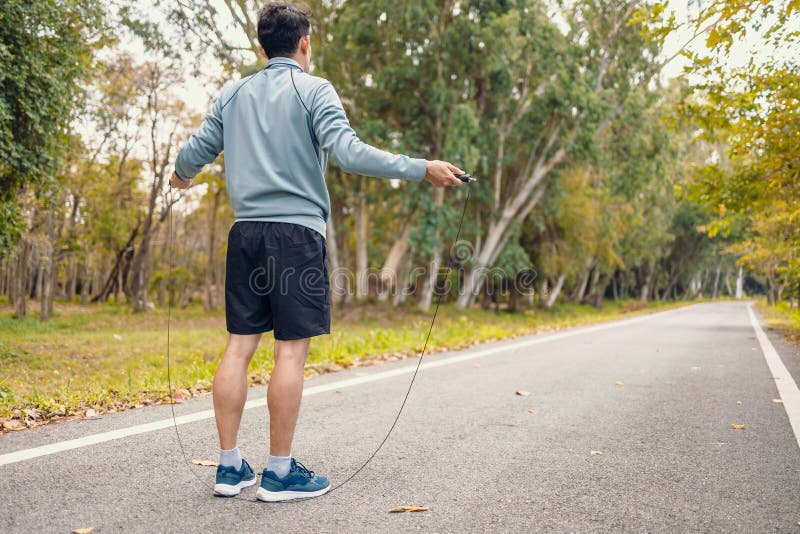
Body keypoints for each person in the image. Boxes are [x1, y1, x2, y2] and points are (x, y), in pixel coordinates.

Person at [170, 1, 464, 502]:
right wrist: (422, 167)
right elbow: (349, 153)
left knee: (239, 346)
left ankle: (228, 468)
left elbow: (192, 154)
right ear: (304, 43)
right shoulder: (315, 90)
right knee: (290, 350)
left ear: (262, 47)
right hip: (297, 237)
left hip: (246, 234)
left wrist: (181, 177)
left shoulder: (232, 92)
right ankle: (279, 474)